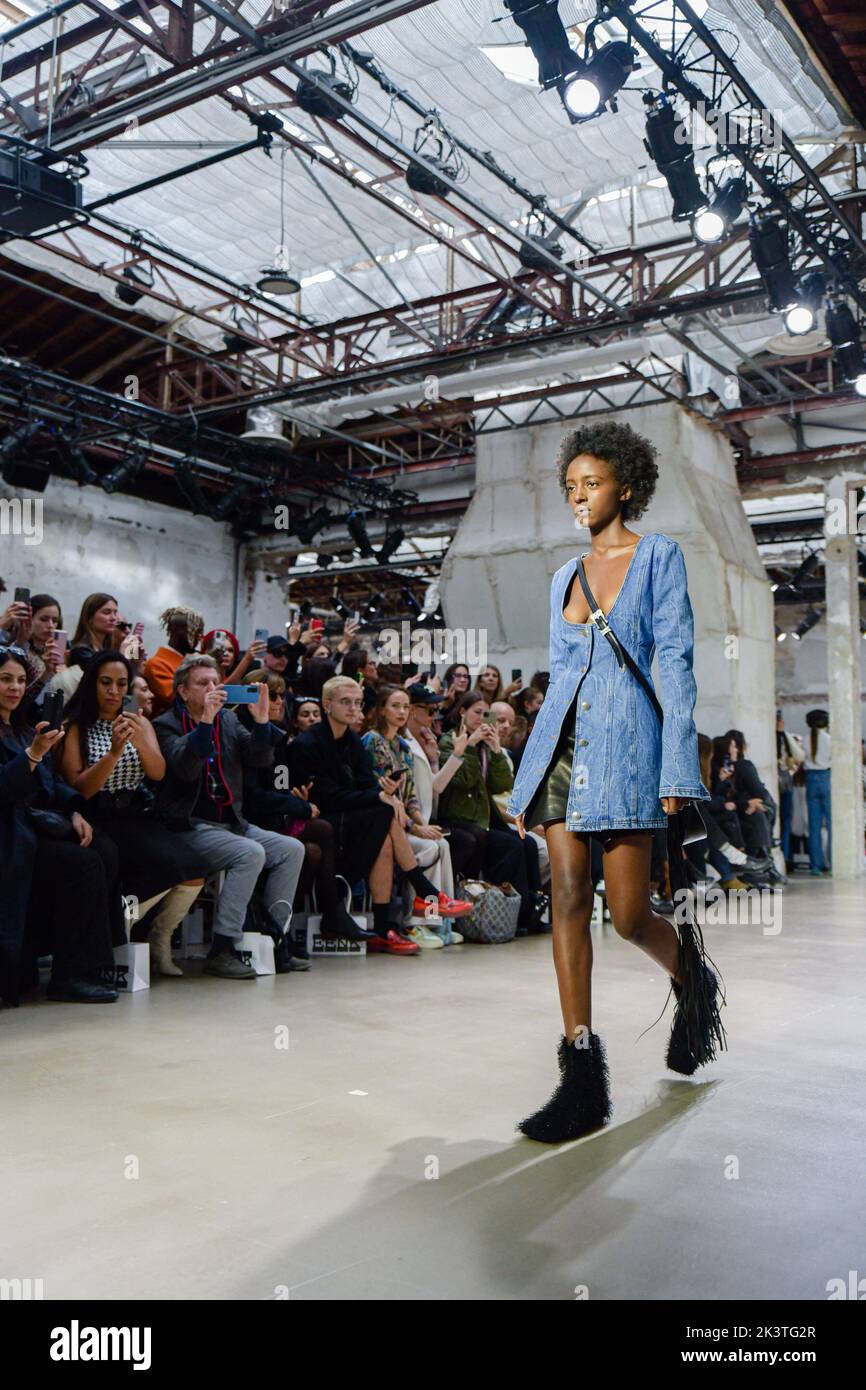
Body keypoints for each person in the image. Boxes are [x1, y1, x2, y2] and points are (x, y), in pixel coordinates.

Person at [507, 421, 723, 1143]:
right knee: (567, 899)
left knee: (629, 916)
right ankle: (580, 1076)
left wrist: (678, 766)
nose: (579, 497)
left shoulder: (659, 556)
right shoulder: (563, 577)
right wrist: (527, 775)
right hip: (563, 749)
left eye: (590, 484)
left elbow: (678, 665)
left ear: (624, 486)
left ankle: (692, 981)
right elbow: (561, 676)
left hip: (630, 748)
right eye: (570, 487)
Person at [290, 677, 469, 955]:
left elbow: (372, 787)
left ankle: (385, 928)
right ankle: (426, 893)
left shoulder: (360, 741)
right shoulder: (312, 743)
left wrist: (384, 795)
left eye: (358, 703)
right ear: (327, 705)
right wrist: (382, 798)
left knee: (387, 838)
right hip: (322, 820)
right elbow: (326, 797)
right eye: (345, 702)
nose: (353, 708)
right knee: (385, 812)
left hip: (360, 819)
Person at [153, 654, 305, 978]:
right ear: (183, 691)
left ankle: (275, 938)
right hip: (188, 825)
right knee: (250, 853)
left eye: (215, 682)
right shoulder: (165, 725)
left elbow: (260, 759)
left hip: (231, 822)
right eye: (202, 683)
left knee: (292, 849)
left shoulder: (230, 720)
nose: (212, 688)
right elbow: (186, 767)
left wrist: (263, 723)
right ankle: (223, 947)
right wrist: (205, 722)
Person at [59, 651, 206, 977]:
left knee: (194, 868)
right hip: (96, 815)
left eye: (121, 684)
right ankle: (116, 934)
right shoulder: (74, 727)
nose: (114, 691)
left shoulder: (139, 722)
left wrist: (140, 741)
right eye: (106, 682)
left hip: (136, 813)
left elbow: (157, 772)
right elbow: (80, 788)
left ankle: (158, 937)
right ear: (91, 684)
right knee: (156, 866)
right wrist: (113, 753)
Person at [0, 647, 119, 1005]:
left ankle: (93, 963)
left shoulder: (21, 727)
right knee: (82, 865)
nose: (15, 688)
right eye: (6, 679)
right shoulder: (27, 738)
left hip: (34, 823)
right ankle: (72, 974)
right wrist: (34, 754)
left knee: (104, 850)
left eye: (21, 680)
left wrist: (73, 812)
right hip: (8, 829)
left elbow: (51, 782)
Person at [362, 685, 472, 947]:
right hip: (381, 822)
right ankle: (418, 922)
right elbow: (380, 791)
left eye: (405, 707)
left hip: (404, 822)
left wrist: (422, 824)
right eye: (395, 706)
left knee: (439, 842)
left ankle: (438, 921)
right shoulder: (372, 740)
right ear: (381, 709)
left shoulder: (402, 745)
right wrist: (416, 827)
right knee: (430, 849)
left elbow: (410, 795)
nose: (402, 712)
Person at [438, 691, 536, 924]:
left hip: (481, 819)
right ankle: (495, 910)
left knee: (526, 843)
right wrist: (469, 747)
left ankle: (525, 912)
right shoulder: (449, 740)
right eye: (477, 712)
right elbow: (464, 781)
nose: (482, 718)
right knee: (501, 844)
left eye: (486, 714)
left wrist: (495, 750)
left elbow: (503, 785)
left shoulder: (485, 746)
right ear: (462, 712)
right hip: (457, 817)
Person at [0, 592, 65, 710]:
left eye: (54, 620)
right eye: (44, 619)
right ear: (29, 619)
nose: (50, 625)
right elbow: (25, 699)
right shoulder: (16, 651)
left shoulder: (56, 654)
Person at [144, 606, 205, 717]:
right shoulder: (156, 664)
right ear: (175, 630)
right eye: (194, 631)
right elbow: (176, 699)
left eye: (201, 632)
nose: (199, 637)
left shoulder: (189, 661)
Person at [803, 708, 831, 875]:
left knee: (814, 826)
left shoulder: (806, 739)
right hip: (826, 777)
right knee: (830, 823)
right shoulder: (829, 739)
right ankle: (833, 863)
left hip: (810, 779)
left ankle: (816, 866)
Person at [777, 709, 805, 870]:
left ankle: (786, 856)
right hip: (780, 780)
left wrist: (783, 735)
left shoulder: (785, 737)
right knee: (782, 820)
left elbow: (799, 755)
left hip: (785, 781)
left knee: (786, 821)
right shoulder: (777, 737)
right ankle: (783, 854)